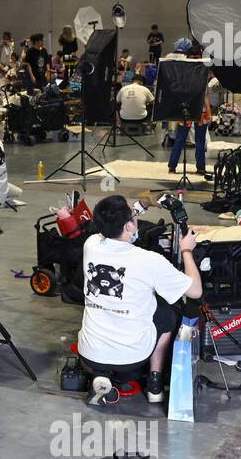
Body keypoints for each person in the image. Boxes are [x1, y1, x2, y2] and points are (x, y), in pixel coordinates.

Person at [78, 195, 202, 405]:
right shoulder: (149, 260)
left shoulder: (91, 244)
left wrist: (141, 206)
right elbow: (196, 291)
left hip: (89, 354)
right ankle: (155, 382)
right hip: (133, 356)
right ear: (128, 225)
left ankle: (102, 374)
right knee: (167, 313)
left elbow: (116, 224)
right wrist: (187, 249)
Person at [162, 39, 212, 178]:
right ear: (189, 56)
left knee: (196, 141)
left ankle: (198, 168)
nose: (196, 59)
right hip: (186, 109)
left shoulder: (200, 70)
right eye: (194, 57)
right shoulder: (198, 69)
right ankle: (173, 166)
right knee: (182, 139)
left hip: (196, 109)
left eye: (197, 57)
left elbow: (206, 92)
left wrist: (209, 111)